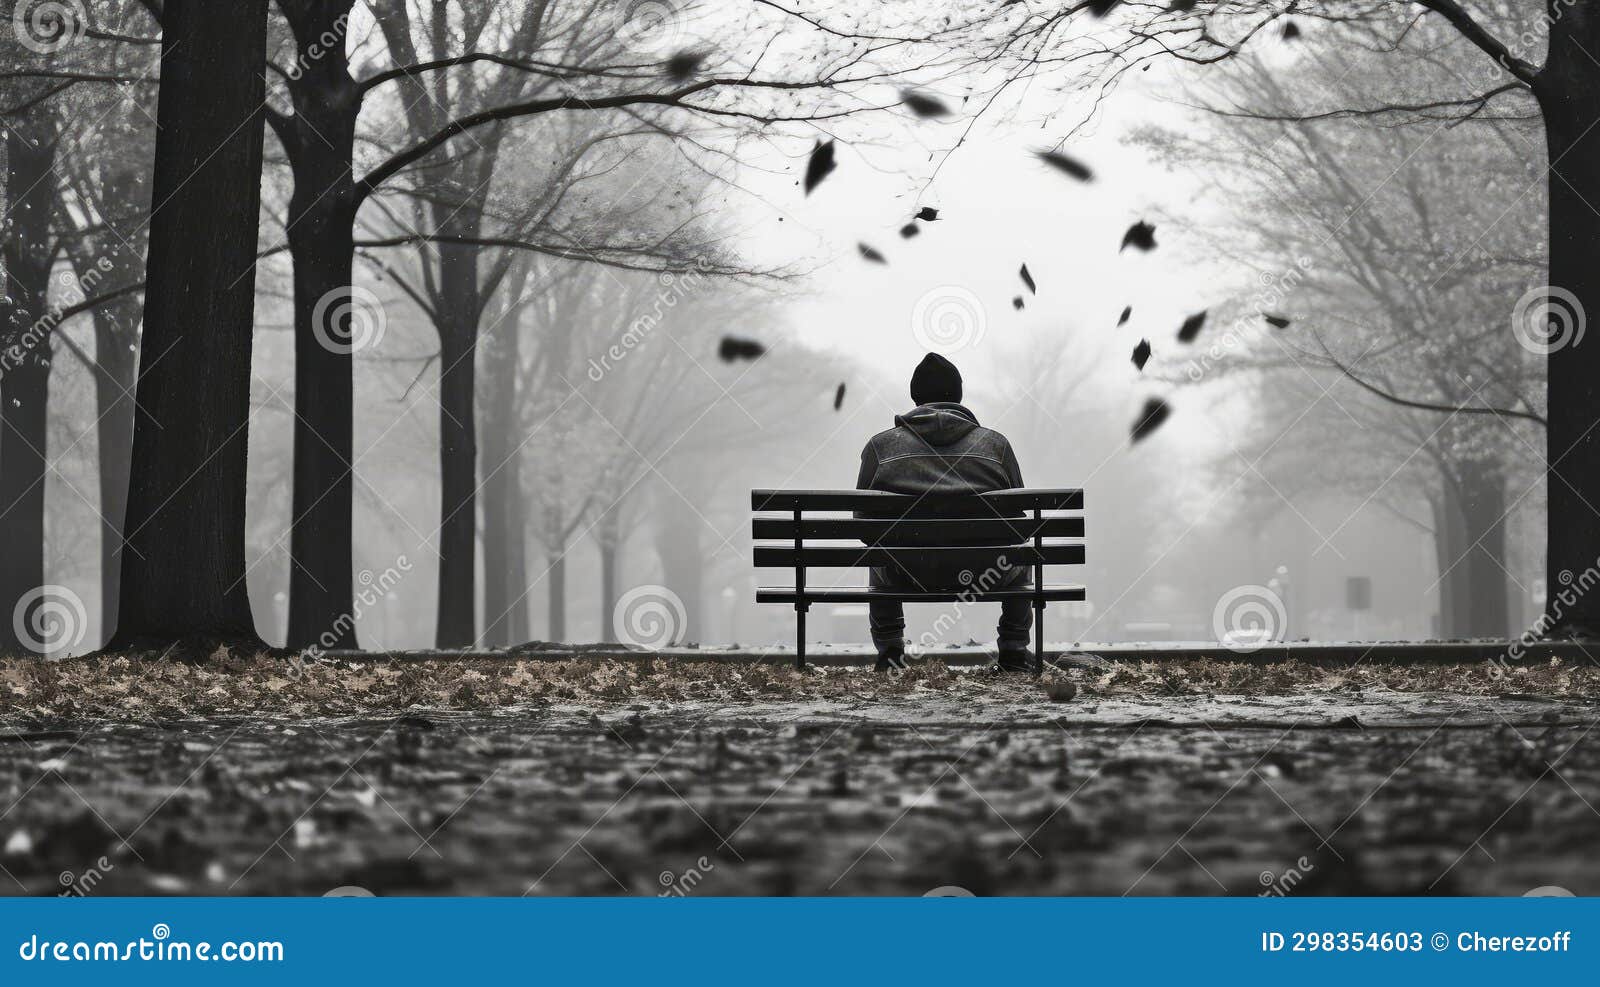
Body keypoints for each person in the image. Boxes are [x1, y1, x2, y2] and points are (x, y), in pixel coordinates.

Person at [855, 353, 1032, 672]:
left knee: (879, 558)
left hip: (905, 573)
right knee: (1022, 560)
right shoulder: (996, 446)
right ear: (960, 396)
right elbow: (1020, 525)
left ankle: (891, 655)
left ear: (915, 397)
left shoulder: (881, 448)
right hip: (984, 573)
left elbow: (864, 527)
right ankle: (1014, 653)